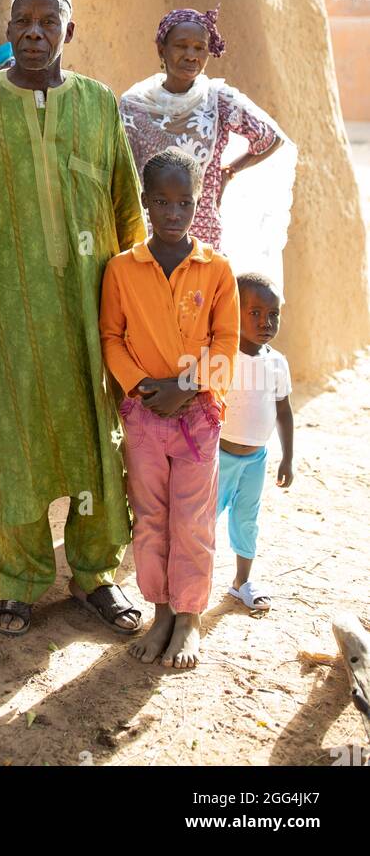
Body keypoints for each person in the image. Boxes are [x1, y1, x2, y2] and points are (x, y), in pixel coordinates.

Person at [0, 0, 148, 638]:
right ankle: (17, 582)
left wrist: (140, 310)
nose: (33, 32)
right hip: (6, 312)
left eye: (47, 22)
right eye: (22, 20)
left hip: (87, 317)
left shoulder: (99, 105)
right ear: (6, 30)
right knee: (9, 439)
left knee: (94, 441)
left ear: (67, 32)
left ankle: (95, 573)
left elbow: (127, 212)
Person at [99, 148, 239, 669]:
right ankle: (160, 609)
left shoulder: (217, 269)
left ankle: (189, 617)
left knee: (193, 518)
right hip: (143, 414)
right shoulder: (122, 269)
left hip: (199, 414)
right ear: (146, 203)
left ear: (197, 202)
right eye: (162, 201)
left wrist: (187, 385)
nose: (173, 213)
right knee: (151, 514)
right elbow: (111, 337)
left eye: (184, 202)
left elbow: (226, 343)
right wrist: (141, 387)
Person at [119, 7, 295, 286]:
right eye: (181, 46)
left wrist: (230, 171)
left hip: (202, 234)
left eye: (200, 48)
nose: (191, 55)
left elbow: (269, 138)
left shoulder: (218, 101)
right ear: (161, 49)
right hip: (148, 235)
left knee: (198, 317)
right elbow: (121, 171)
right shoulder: (133, 106)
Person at [217, 272, 294, 616]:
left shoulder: (277, 362)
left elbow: (284, 410)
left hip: (256, 460)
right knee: (203, 521)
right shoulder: (223, 358)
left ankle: (241, 583)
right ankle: (191, 583)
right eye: (255, 313)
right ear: (235, 311)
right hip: (219, 457)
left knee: (248, 519)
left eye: (273, 314)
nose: (266, 321)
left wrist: (287, 458)